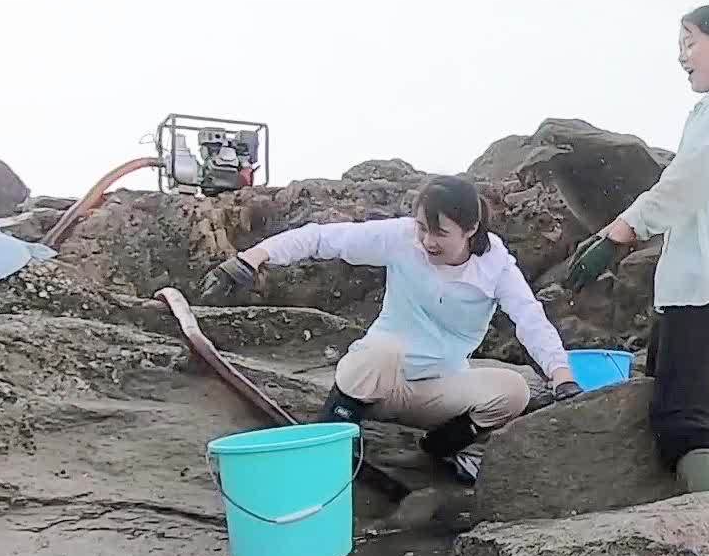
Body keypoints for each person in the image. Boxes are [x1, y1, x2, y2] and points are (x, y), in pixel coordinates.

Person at [201, 174, 580, 485]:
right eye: (422, 229)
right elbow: (322, 238)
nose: (428, 241)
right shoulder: (401, 239)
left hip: (436, 390)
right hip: (377, 381)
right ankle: (333, 439)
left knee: (513, 390)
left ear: (470, 228)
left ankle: (442, 448)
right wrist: (252, 258)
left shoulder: (496, 267)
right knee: (381, 351)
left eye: (440, 232)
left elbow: (530, 318)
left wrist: (561, 375)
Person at [569, 4, 709, 497]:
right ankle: (682, 502)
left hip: (706, 278)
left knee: (682, 411)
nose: (682, 56)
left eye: (690, 42)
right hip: (701, 277)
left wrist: (622, 230)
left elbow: (687, 181)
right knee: (662, 377)